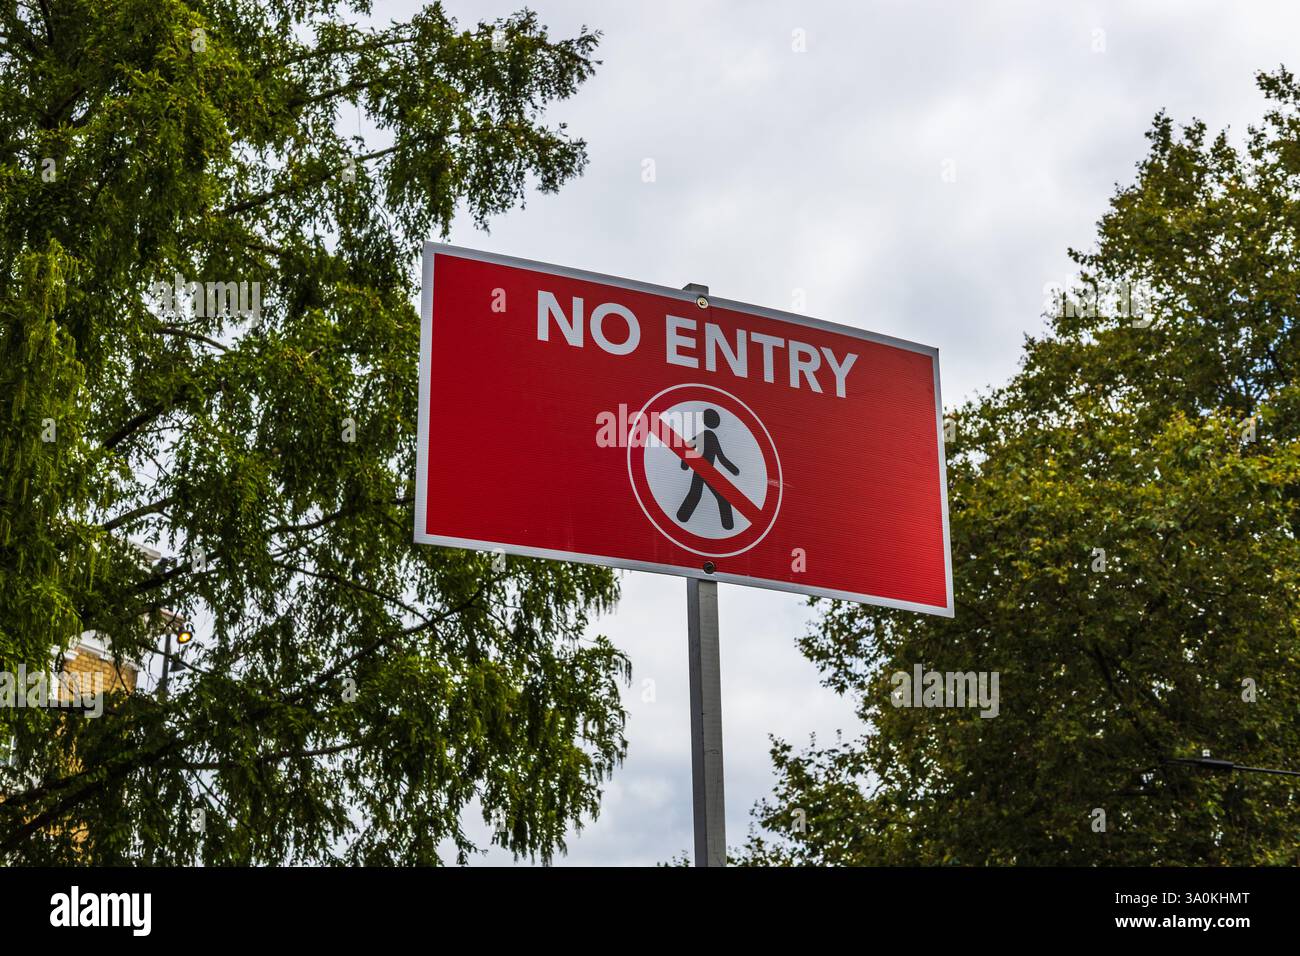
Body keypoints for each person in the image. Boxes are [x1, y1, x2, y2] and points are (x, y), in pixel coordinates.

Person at [676, 408, 740, 529]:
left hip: (707, 471)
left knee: (696, 495)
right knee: (715, 497)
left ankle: (682, 517)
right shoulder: (707, 435)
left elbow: (721, 458)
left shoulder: (709, 436)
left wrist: (735, 470)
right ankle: (681, 517)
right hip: (704, 471)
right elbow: (689, 446)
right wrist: (686, 463)